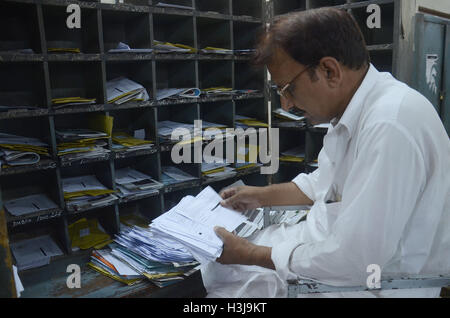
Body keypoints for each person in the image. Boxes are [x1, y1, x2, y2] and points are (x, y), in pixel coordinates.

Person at [200, 7, 450, 298]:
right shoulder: (354, 109)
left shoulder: (389, 124)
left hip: (372, 282)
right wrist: (259, 196)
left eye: (289, 88)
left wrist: (251, 254)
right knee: (217, 264)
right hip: (334, 251)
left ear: (329, 71)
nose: (286, 103)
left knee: (230, 284)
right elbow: (326, 184)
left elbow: (359, 259)